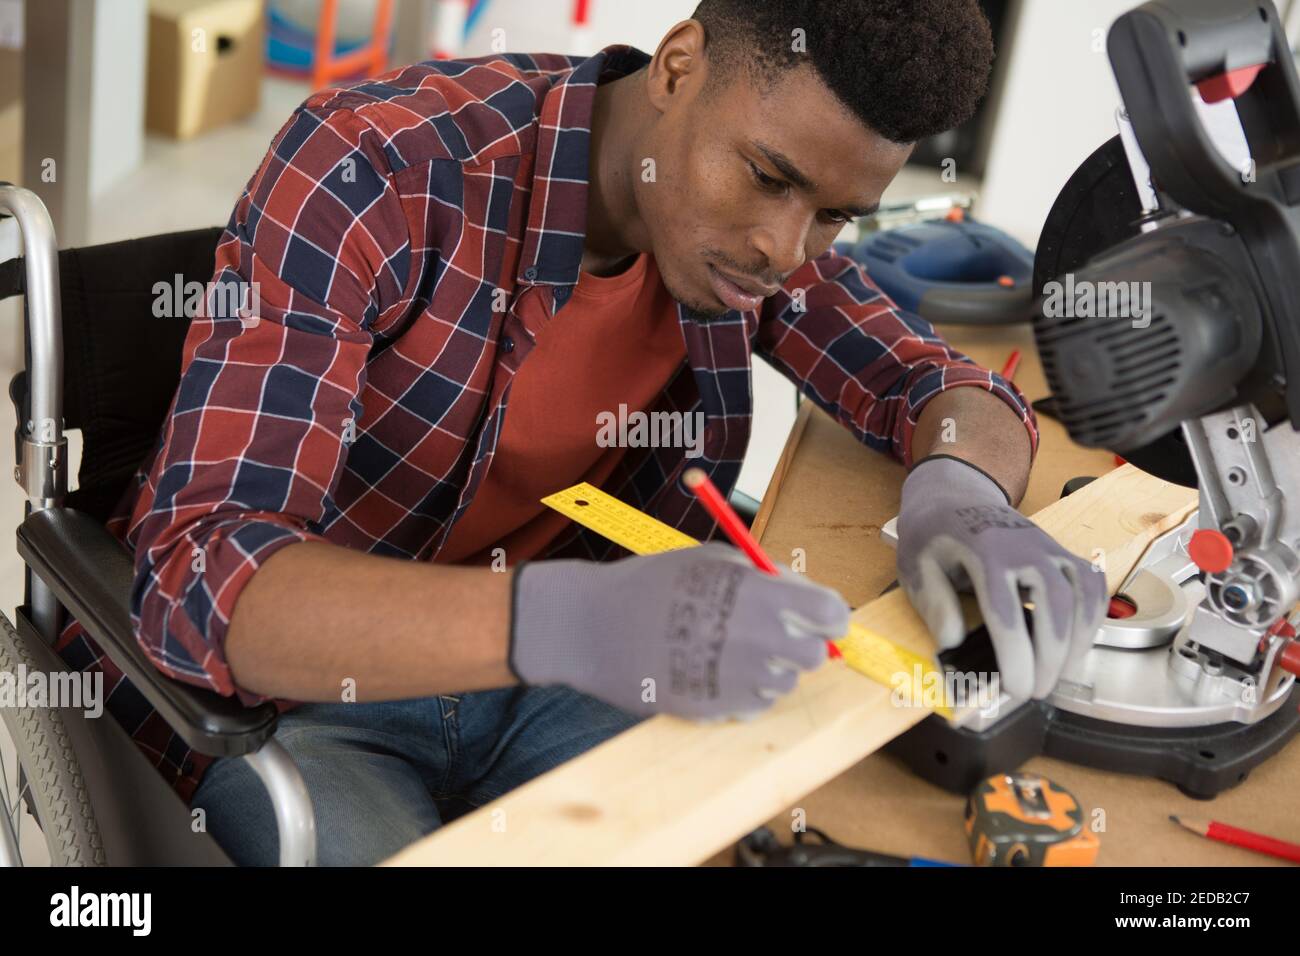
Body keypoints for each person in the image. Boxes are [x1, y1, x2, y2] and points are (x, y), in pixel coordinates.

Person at [56, 0, 1104, 865]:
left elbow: (931, 378)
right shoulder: (379, 167)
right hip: (306, 707)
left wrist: (961, 485)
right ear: (678, 67)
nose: (787, 247)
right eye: (772, 178)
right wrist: (573, 619)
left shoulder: (745, 228)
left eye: (834, 215)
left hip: (555, 679)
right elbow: (203, 574)